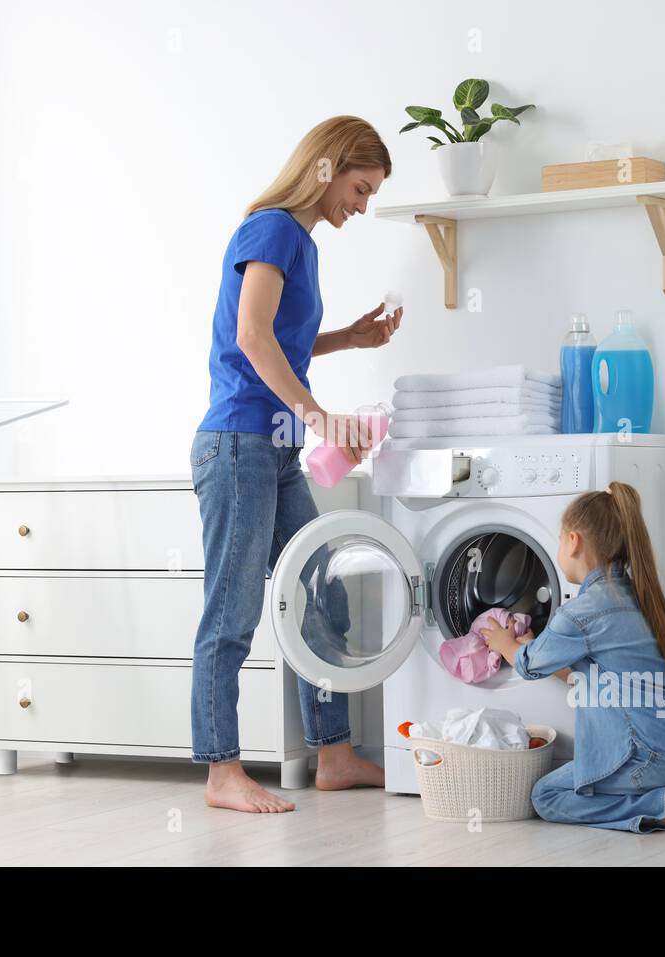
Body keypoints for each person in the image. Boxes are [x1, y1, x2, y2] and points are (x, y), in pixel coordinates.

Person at [191, 116, 403, 813]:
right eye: (359, 187)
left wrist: (352, 336)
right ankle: (222, 772)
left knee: (323, 590)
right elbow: (251, 336)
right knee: (233, 611)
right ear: (328, 166)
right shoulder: (274, 227)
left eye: (370, 194)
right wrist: (318, 416)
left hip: (273, 449)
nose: (362, 205)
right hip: (239, 444)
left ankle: (334, 754)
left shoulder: (304, 247)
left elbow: (284, 339)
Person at [483, 482, 665, 832]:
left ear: (572, 541)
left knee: (546, 795)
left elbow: (528, 664)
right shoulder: (643, 598)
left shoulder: (581, 611)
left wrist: (504, 643)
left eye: (560, 540)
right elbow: (593, 680)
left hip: (648, 758)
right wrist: (534, 645)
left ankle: (664, 807)